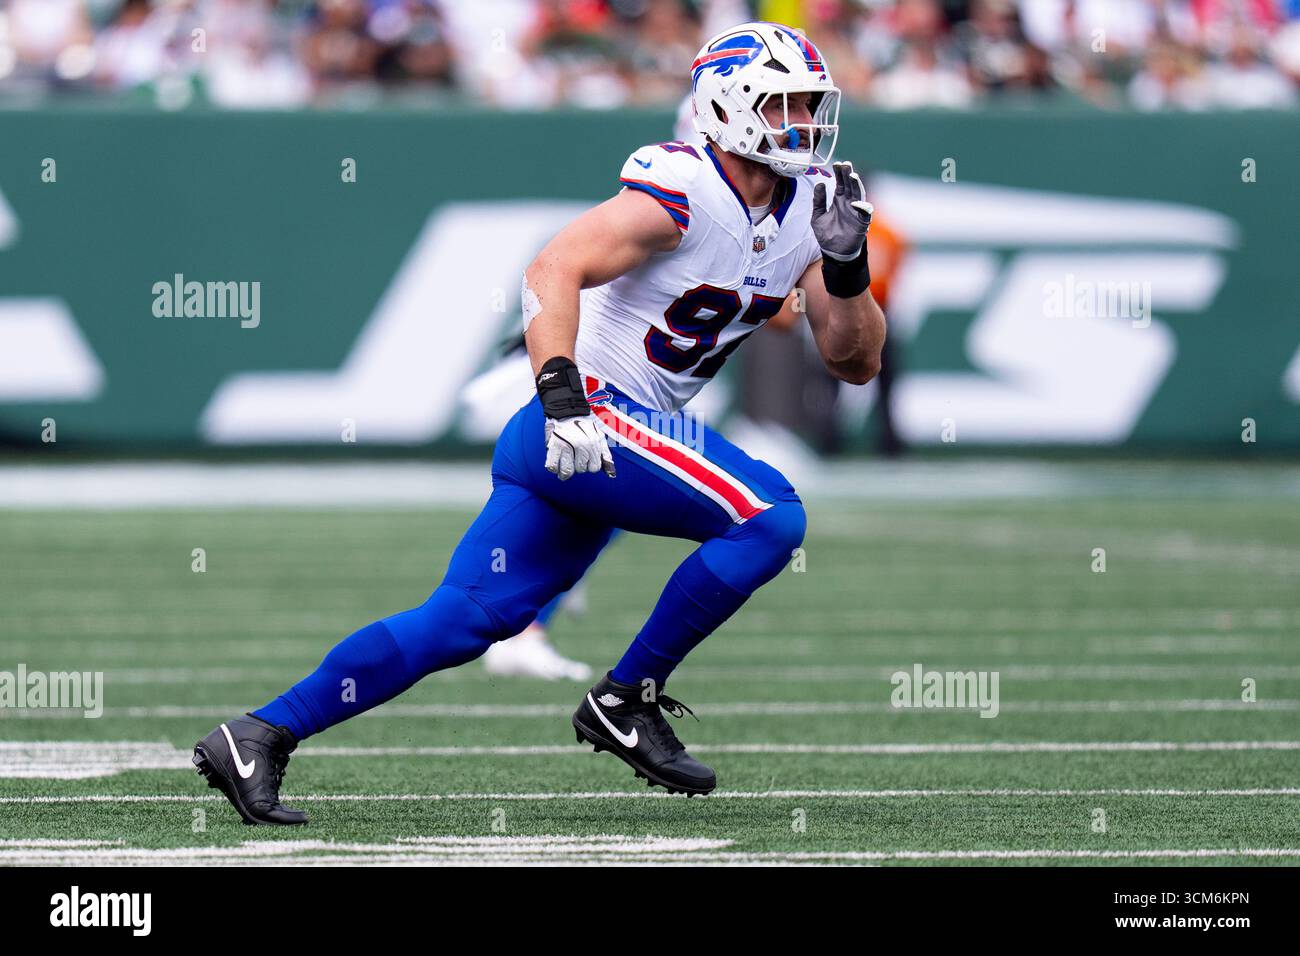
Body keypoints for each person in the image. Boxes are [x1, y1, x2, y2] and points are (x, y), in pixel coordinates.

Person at [193, 20, 885, 824]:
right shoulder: (685, 185)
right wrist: (562, 394)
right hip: (587, 416)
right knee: (771, 518)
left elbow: (852, 360)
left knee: (462, 621)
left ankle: (259, 734)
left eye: (810, 106)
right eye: (785, 105)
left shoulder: (810, 210)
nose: (804, 124)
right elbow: (554, 266)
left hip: (604, 443)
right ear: (730, 107)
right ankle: (626, 698)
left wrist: (847, 266)